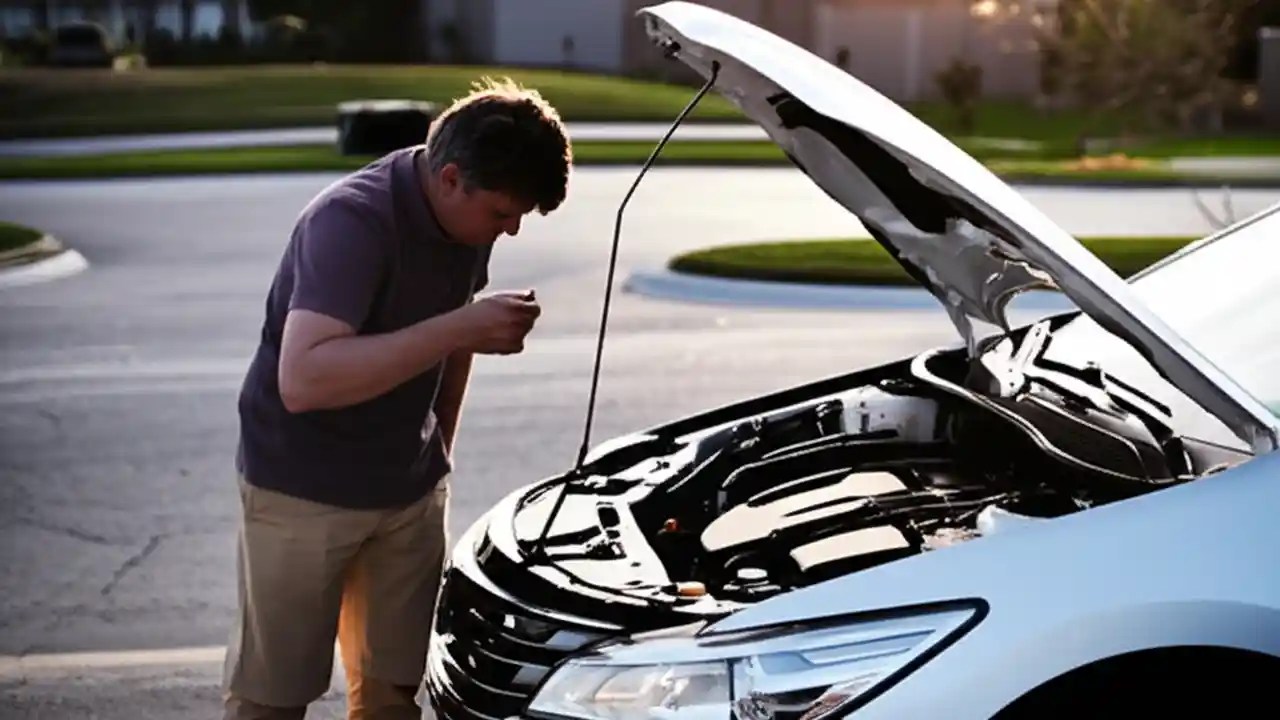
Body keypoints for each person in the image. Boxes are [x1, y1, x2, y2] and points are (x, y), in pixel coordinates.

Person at [222, 77, 573, 720]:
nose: (512, 230)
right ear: (449, 178)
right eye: (502, 213)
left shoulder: (468, 224)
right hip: (302, 490)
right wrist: (461, 327)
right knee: (273, 697)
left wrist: (442, 443)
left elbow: (454, 333)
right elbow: (305, 380)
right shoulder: (350, 222)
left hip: (407, 493)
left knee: (392, 691)